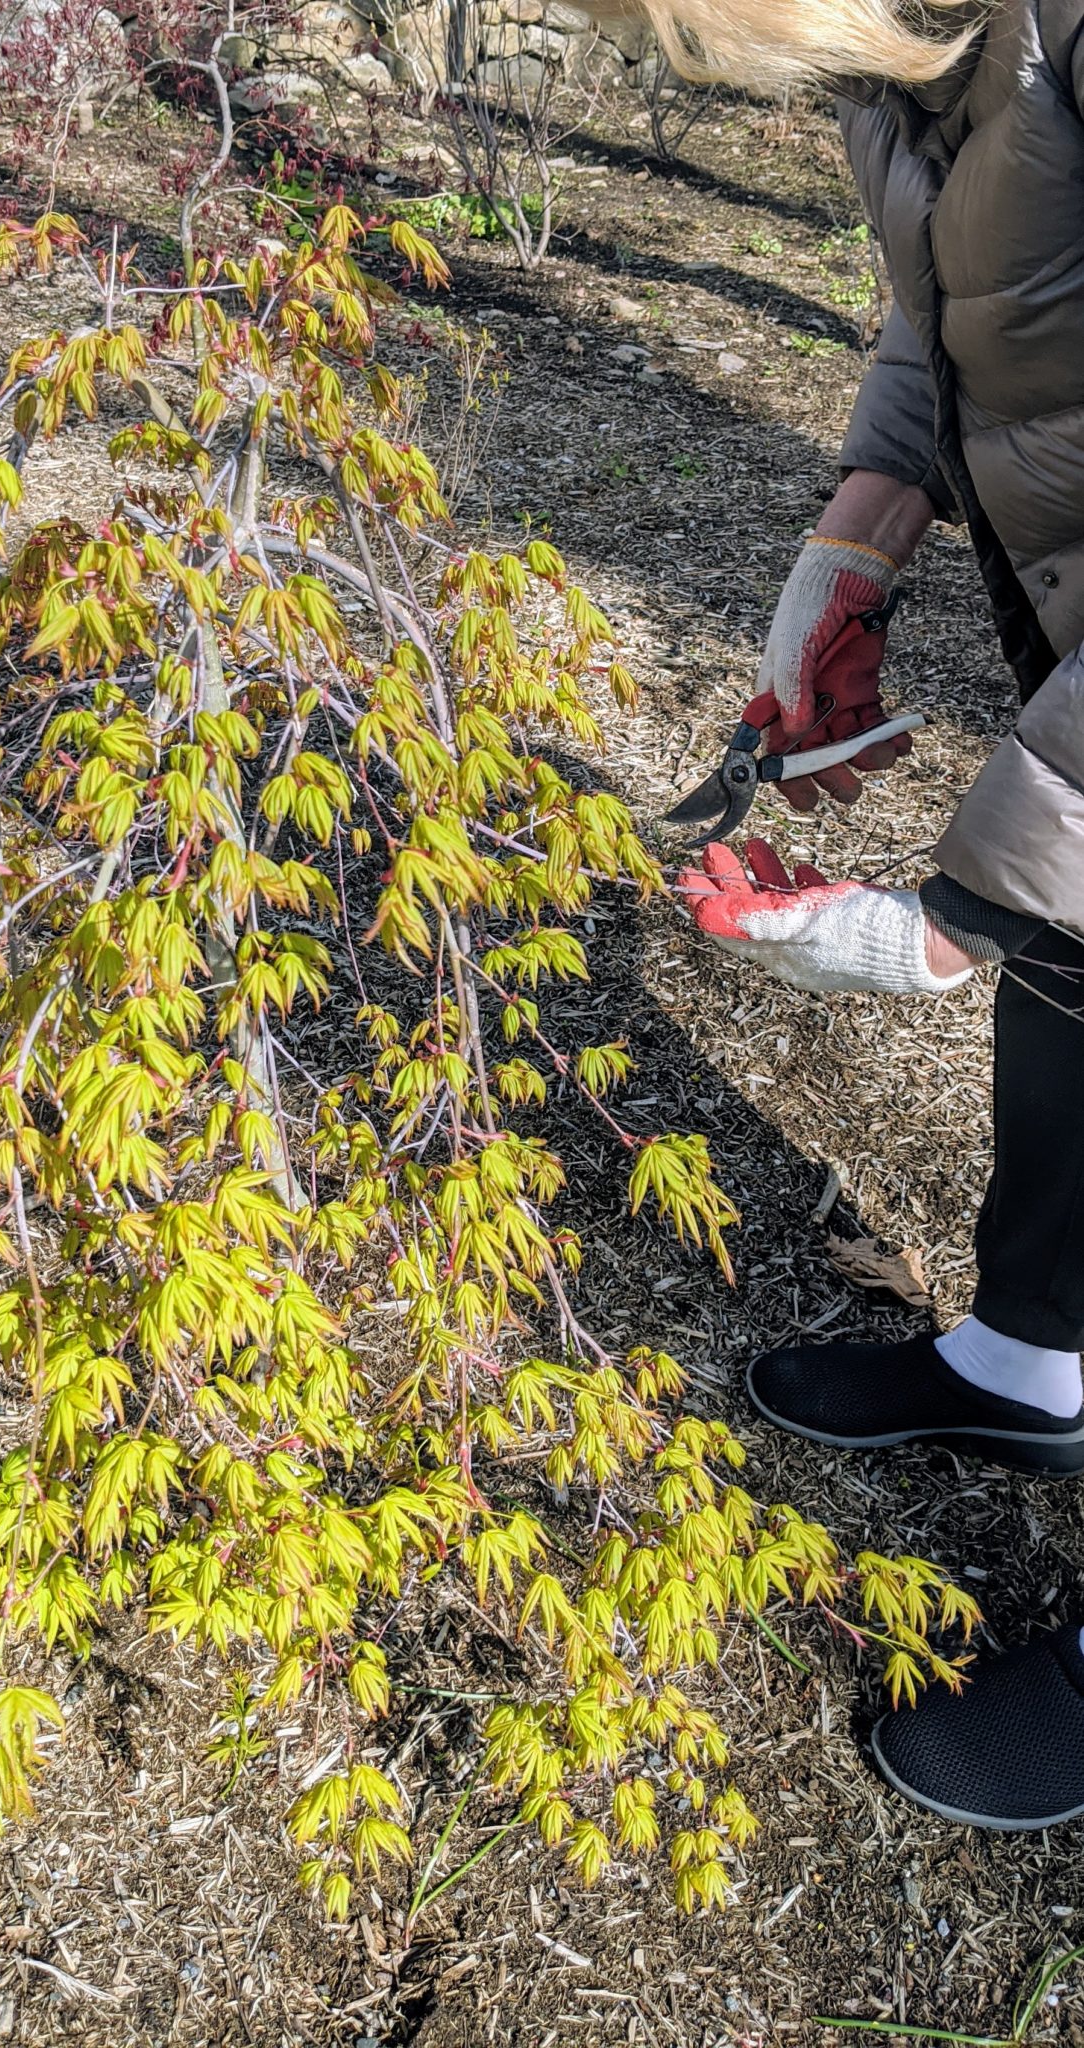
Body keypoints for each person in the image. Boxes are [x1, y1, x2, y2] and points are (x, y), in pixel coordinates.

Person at [630, 0, 1084, 1831]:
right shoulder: (926, 49)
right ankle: (1027, 1358)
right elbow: (946, 324)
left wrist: (956, 913)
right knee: (1073, 985)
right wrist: (855, 548)